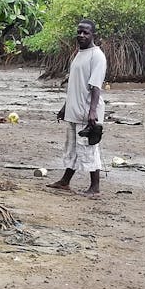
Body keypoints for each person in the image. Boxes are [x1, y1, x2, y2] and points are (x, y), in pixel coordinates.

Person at [47, 19, 107, 198]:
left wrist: (93, 111)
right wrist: (65, 107)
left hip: (87, 112)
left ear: (93, 35)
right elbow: (75, 86)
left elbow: (95, 86)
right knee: (72, 148)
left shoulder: (97, 56)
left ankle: (95, 187)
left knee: (88, 149)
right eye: (79, 32)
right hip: (74, 110)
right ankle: (65, 181)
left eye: (86, 32)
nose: (81, 35)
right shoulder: (79, 54)